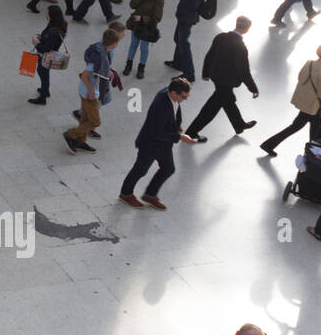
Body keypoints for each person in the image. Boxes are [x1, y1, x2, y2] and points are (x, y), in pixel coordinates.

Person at [118, 77, 198, 209]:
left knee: (168, 168)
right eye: (184, 97)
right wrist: (180, 136)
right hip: (150, 143)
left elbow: (176, 111)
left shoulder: (170, 94)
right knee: (140, 170)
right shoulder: (161, 105)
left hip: (163, 144)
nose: (185, 99)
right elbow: (157, 133)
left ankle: (150, 195)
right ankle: (125, 194)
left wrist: (176, 126)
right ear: (173, 93)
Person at [184, 16, 259, 142]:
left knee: (227, 101)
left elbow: (210, 55)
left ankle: (239, 125)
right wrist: (253, 88)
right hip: (227, 81)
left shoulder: (221, 37)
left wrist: (206, 72)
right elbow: (244, 70)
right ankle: (191, 133)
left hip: (216, 77)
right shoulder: (240, 46)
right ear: (246, 29)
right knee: (211, 109)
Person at [260, 44, 321, 157]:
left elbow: (300, 78)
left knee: (311, 128)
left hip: (304, 101)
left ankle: (270, 145)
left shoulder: (309, 63)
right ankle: (310, 154)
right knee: (304, 128)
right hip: (312, 106)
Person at [63, 27, 122, 154]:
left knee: (85, 117)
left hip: (90, 90)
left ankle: (80, 141)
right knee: (95, 121)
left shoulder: (101, 51)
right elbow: (84, 75)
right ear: (114, 43)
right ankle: (71, 134)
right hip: (88, 93)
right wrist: (90, 91)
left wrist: (108, 72)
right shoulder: (98, 57)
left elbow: (101, 71)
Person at [166, 0, 209, 81]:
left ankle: (189, 74)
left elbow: (194, 4)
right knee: (178, 39)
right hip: (183, 15)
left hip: (188, 18)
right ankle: (178, 63)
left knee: (184, 43)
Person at [121, 0, 163, 78]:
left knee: (144, 48)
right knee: (133, 45)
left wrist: (142, 18)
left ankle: (141, 68)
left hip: (147, 28)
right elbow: (132, 5)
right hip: (135, 24)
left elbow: (157, 18)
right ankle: (128, 65)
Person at [28, 5, 69, 105]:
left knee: (43, 73)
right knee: (44, 72)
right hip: (47, 55)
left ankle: (43, 97)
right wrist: (42, 37)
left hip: (46, 56)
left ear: (52, 16)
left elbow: (46, 49)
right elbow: (49, 40)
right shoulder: (54, 25)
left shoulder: (54, 32)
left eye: (47, 13)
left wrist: (36, 43)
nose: (46, 15)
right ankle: (45, 90)